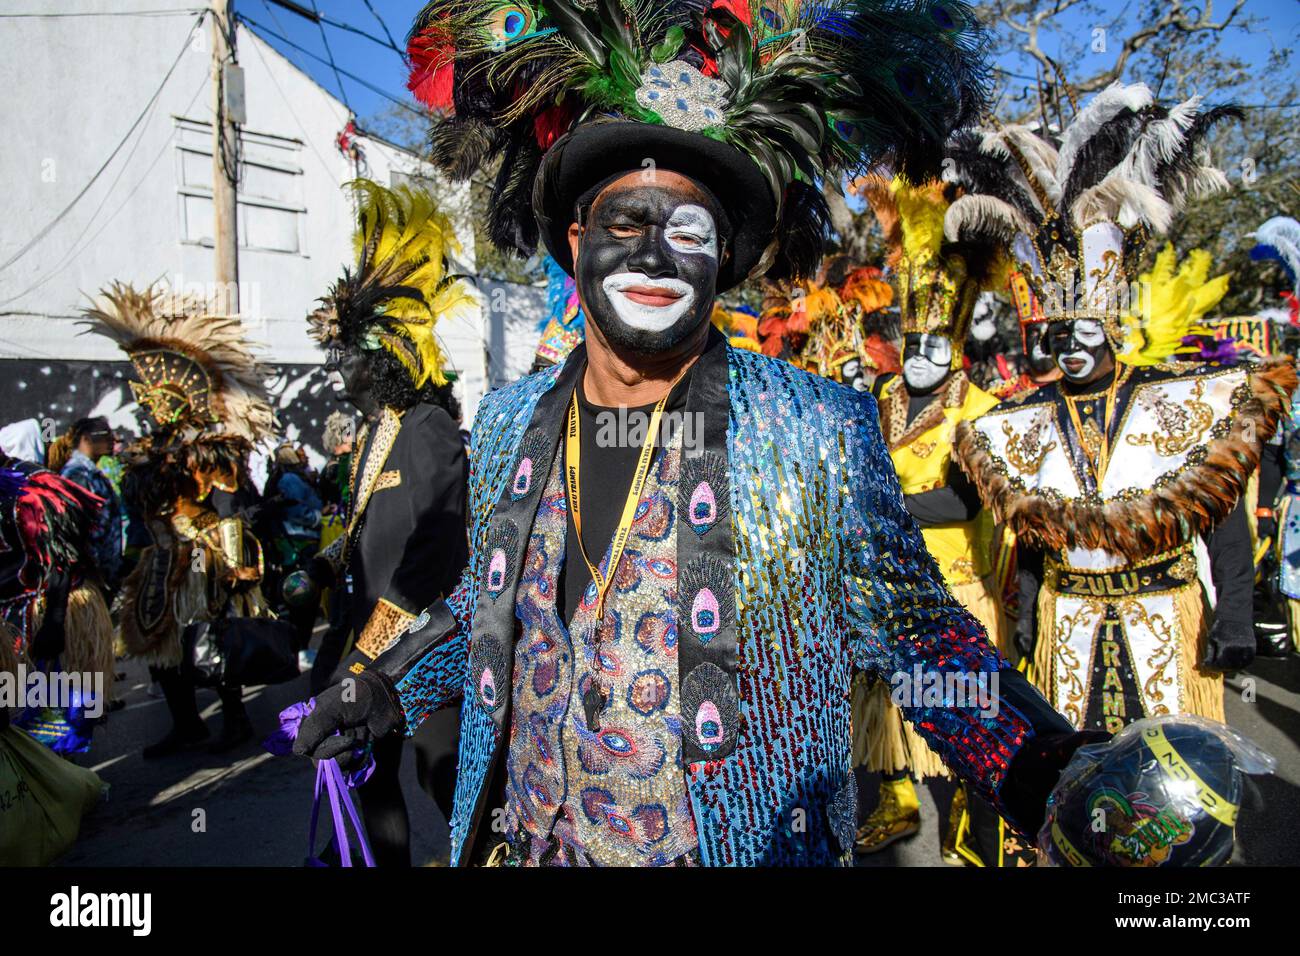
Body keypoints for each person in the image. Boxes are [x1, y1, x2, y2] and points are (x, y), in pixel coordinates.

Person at [294, 0, 1123, 868]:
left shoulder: (813, 429)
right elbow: (489, 607)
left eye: (687, 230)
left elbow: (919, 638)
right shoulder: (510, 421)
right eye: (624, 223)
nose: (654, 255)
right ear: (576, 241)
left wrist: (1042, 769)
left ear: (723, 258)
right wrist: (384, 688)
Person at [947, 84, 1294, 735]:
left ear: (1111, 329)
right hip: (1069, 623)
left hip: (1164, 616)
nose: (1070, 349)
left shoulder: (1174, 399)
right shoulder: (1027, 416)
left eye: (1084, 333)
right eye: (1059, 335)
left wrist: (1237, 618)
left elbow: (1221, 522)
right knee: (1080, 786)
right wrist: (1023, 618)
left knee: (1173, 788)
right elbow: (1032, 526)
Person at [305, 180, 471, 865]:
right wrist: (317, 568)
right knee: (372, 784)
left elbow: (431, 547)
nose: (336, 364)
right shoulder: (374, 436)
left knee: (448, 778)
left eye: (346, 351)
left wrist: (373, 648)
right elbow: (367, 529)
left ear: (377, 356)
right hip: (365, 640)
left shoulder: (428, 428)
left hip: (421, 643)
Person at [848, 176, 1007, 858]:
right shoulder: (877, 394)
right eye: (913, 347)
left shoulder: (981, 409)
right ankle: (898, 804)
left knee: (956, 721)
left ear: (958, 348)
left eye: (935, 349)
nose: (920, 361)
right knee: (883, 712)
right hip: (880, 585)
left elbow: (966, 502)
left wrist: (883, 511)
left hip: (954, 588)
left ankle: (970, 835)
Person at [81, 283, 276, 757]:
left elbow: (230, 508)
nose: (146, 404)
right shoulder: (147, 455)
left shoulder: (211, 450)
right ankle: (186, 723)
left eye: (153, 397)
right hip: (161, 561)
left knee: (216, 645)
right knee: (161, 651)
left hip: (204, 564)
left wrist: (233, 569)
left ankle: (235, 720)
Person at [51, 417, 125, 594]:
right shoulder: (77, 476)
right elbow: (75, 530)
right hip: (90, 581)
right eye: (105, 435)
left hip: (104, 577)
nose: (111, 441)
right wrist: (93, 571)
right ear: (86, 439)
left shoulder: (91, 473)